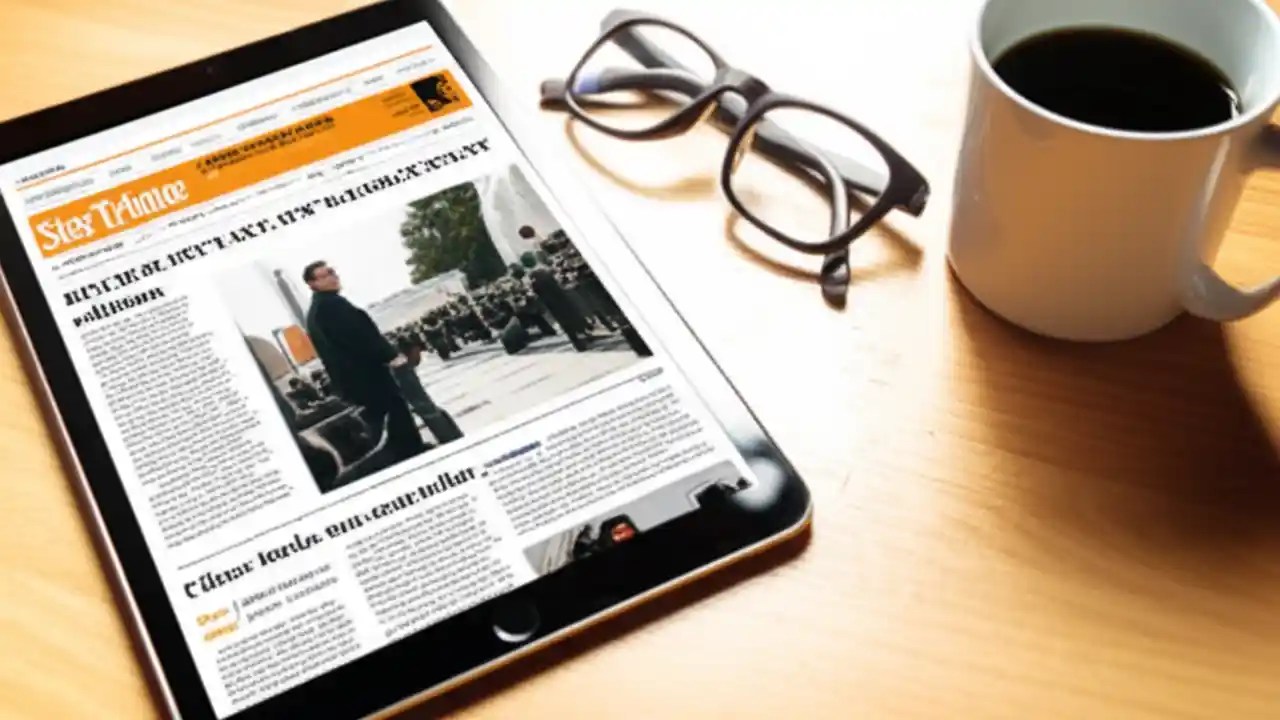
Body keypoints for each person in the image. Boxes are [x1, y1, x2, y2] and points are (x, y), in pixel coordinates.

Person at [303, 260, 427, 463]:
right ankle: (413, 453)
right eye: (326, 275)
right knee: (395, 415)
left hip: (353, 382)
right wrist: (390, 355)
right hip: (368, 377)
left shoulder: (317, 310)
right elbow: (360, 336)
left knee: (377, 422)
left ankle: (397, 457)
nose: (334, 276)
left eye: (333, 272)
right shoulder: (331, 305)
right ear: (312, 284)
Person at [518, 227, 591, 351]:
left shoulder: (523, 252)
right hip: (552, 283)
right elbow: (547, 257)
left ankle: (576, 339)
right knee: (569, 308)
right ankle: (582, 331)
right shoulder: (537, 244)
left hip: (544, 291)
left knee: (560, 314)